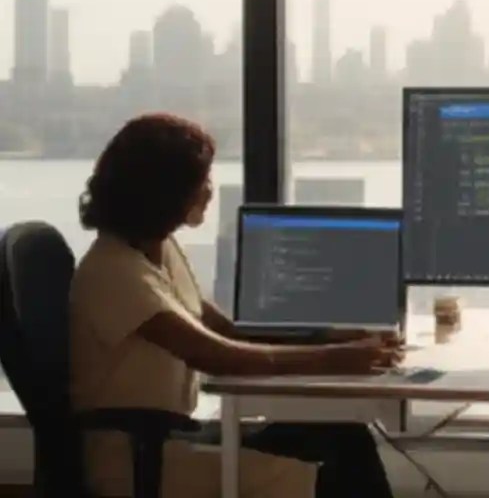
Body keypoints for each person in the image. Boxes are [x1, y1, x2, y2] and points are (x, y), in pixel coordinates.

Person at [70, 114, 401, 498]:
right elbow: (217, 357)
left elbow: (226, 330)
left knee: (342, 434)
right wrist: (337, 358)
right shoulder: (113, 272)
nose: (210, 191)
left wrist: (328, 337)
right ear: (164, 190)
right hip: (138, 456)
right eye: (201, 181)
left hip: (173, 436)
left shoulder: (158, 249)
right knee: (333, 479)